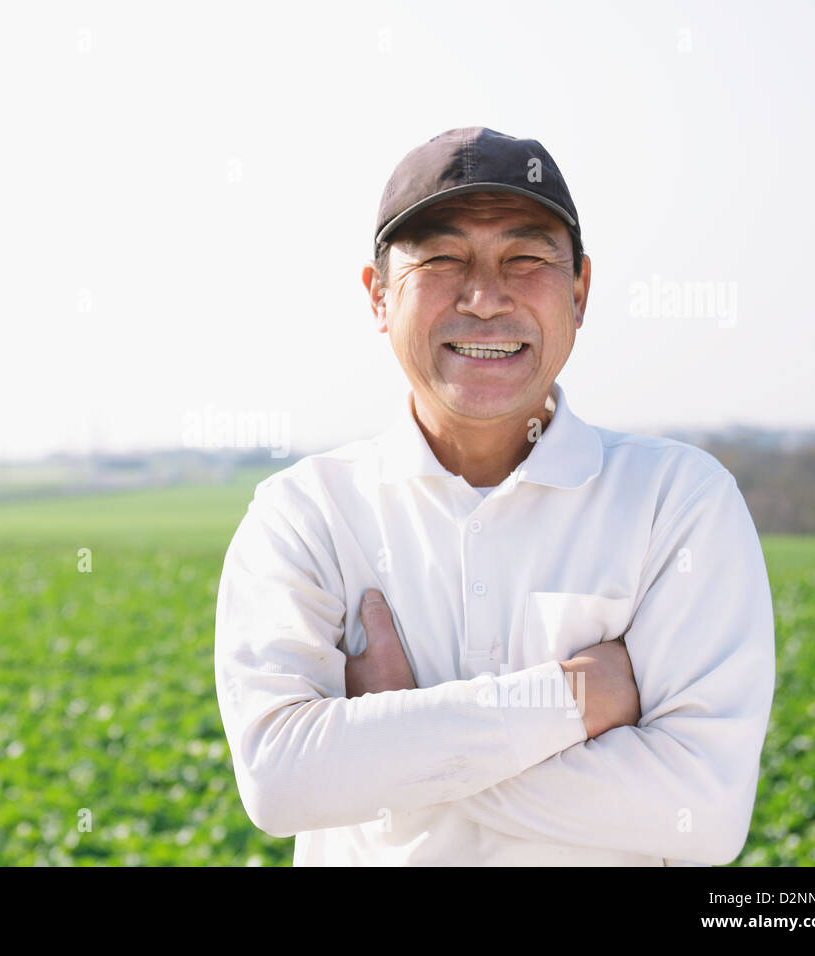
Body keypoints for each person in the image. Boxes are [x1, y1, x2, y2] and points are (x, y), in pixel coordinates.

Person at [212, 127, 775, 866]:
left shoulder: (679, 503)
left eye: (527, 258)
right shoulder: (305, 514)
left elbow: (699, 815)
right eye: (442, 259)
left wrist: (388, 745)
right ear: (379, 295)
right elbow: (282, 782)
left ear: (580, 290)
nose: (484, 298)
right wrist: (573, 702)